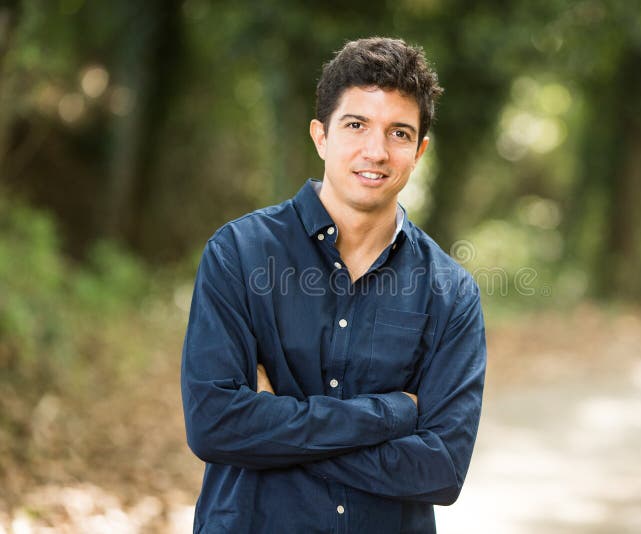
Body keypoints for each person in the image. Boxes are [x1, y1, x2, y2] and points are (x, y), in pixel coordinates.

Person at [181, 36, 486, 533]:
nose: (376, 151)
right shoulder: (239, 254)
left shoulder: (450, 292)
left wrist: (272, 425)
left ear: (419, 151)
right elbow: (214, 426)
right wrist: (391, 414)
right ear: (320, 136)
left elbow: (441, 470)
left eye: (399, 133)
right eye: (356, 125)